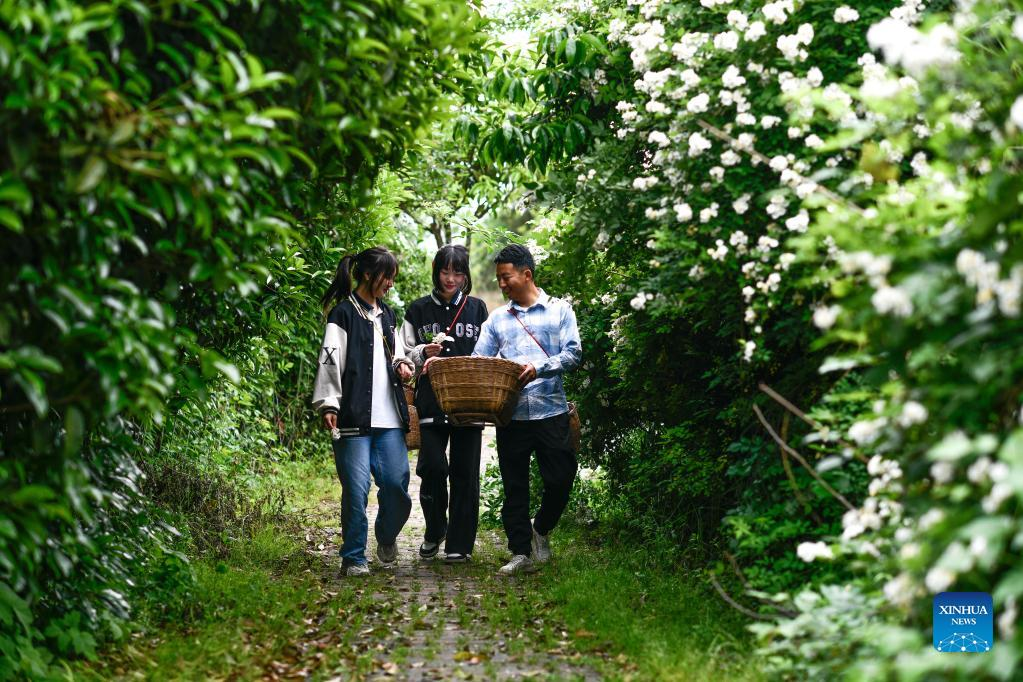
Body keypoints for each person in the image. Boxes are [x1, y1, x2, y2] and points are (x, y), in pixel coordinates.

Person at [471, 244, 582, 575]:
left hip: (551, 411)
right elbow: (480, 360)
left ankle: (541, 529)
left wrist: (540, 368)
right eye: (499, 279)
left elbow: (574, 354)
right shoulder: (497, 321)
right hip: (512, 417)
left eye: (506, 278)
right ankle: (520, 552)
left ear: (526, 274)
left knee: (561, 477)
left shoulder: (560, 311)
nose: (501, 285)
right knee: (514, 486)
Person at [312, 246, 415, 577]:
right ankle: (354, 557)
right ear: (369, 275)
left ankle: (385, 536)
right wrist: (329, 402)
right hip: (354, 418)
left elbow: (397, 353)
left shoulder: (388, 315)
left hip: (389, 420)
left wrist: (403, 366)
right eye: (388, 278)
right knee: (356, 492)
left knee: (398, 485)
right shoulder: (342, 314)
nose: (391, 285)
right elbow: (329, 359)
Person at [401, 245, 490, 563]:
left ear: (465, 275)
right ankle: (435, 528)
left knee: (465, 473)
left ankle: (459, 545)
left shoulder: (477, 309)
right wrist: (423, 352)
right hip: (431, 400)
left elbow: (490, 351)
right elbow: (403, 352)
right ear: (436, 271)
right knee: (432, 467)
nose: (450, 278)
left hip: (470, 402)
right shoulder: (418, 309)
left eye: (457, 272)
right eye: (445, 271)